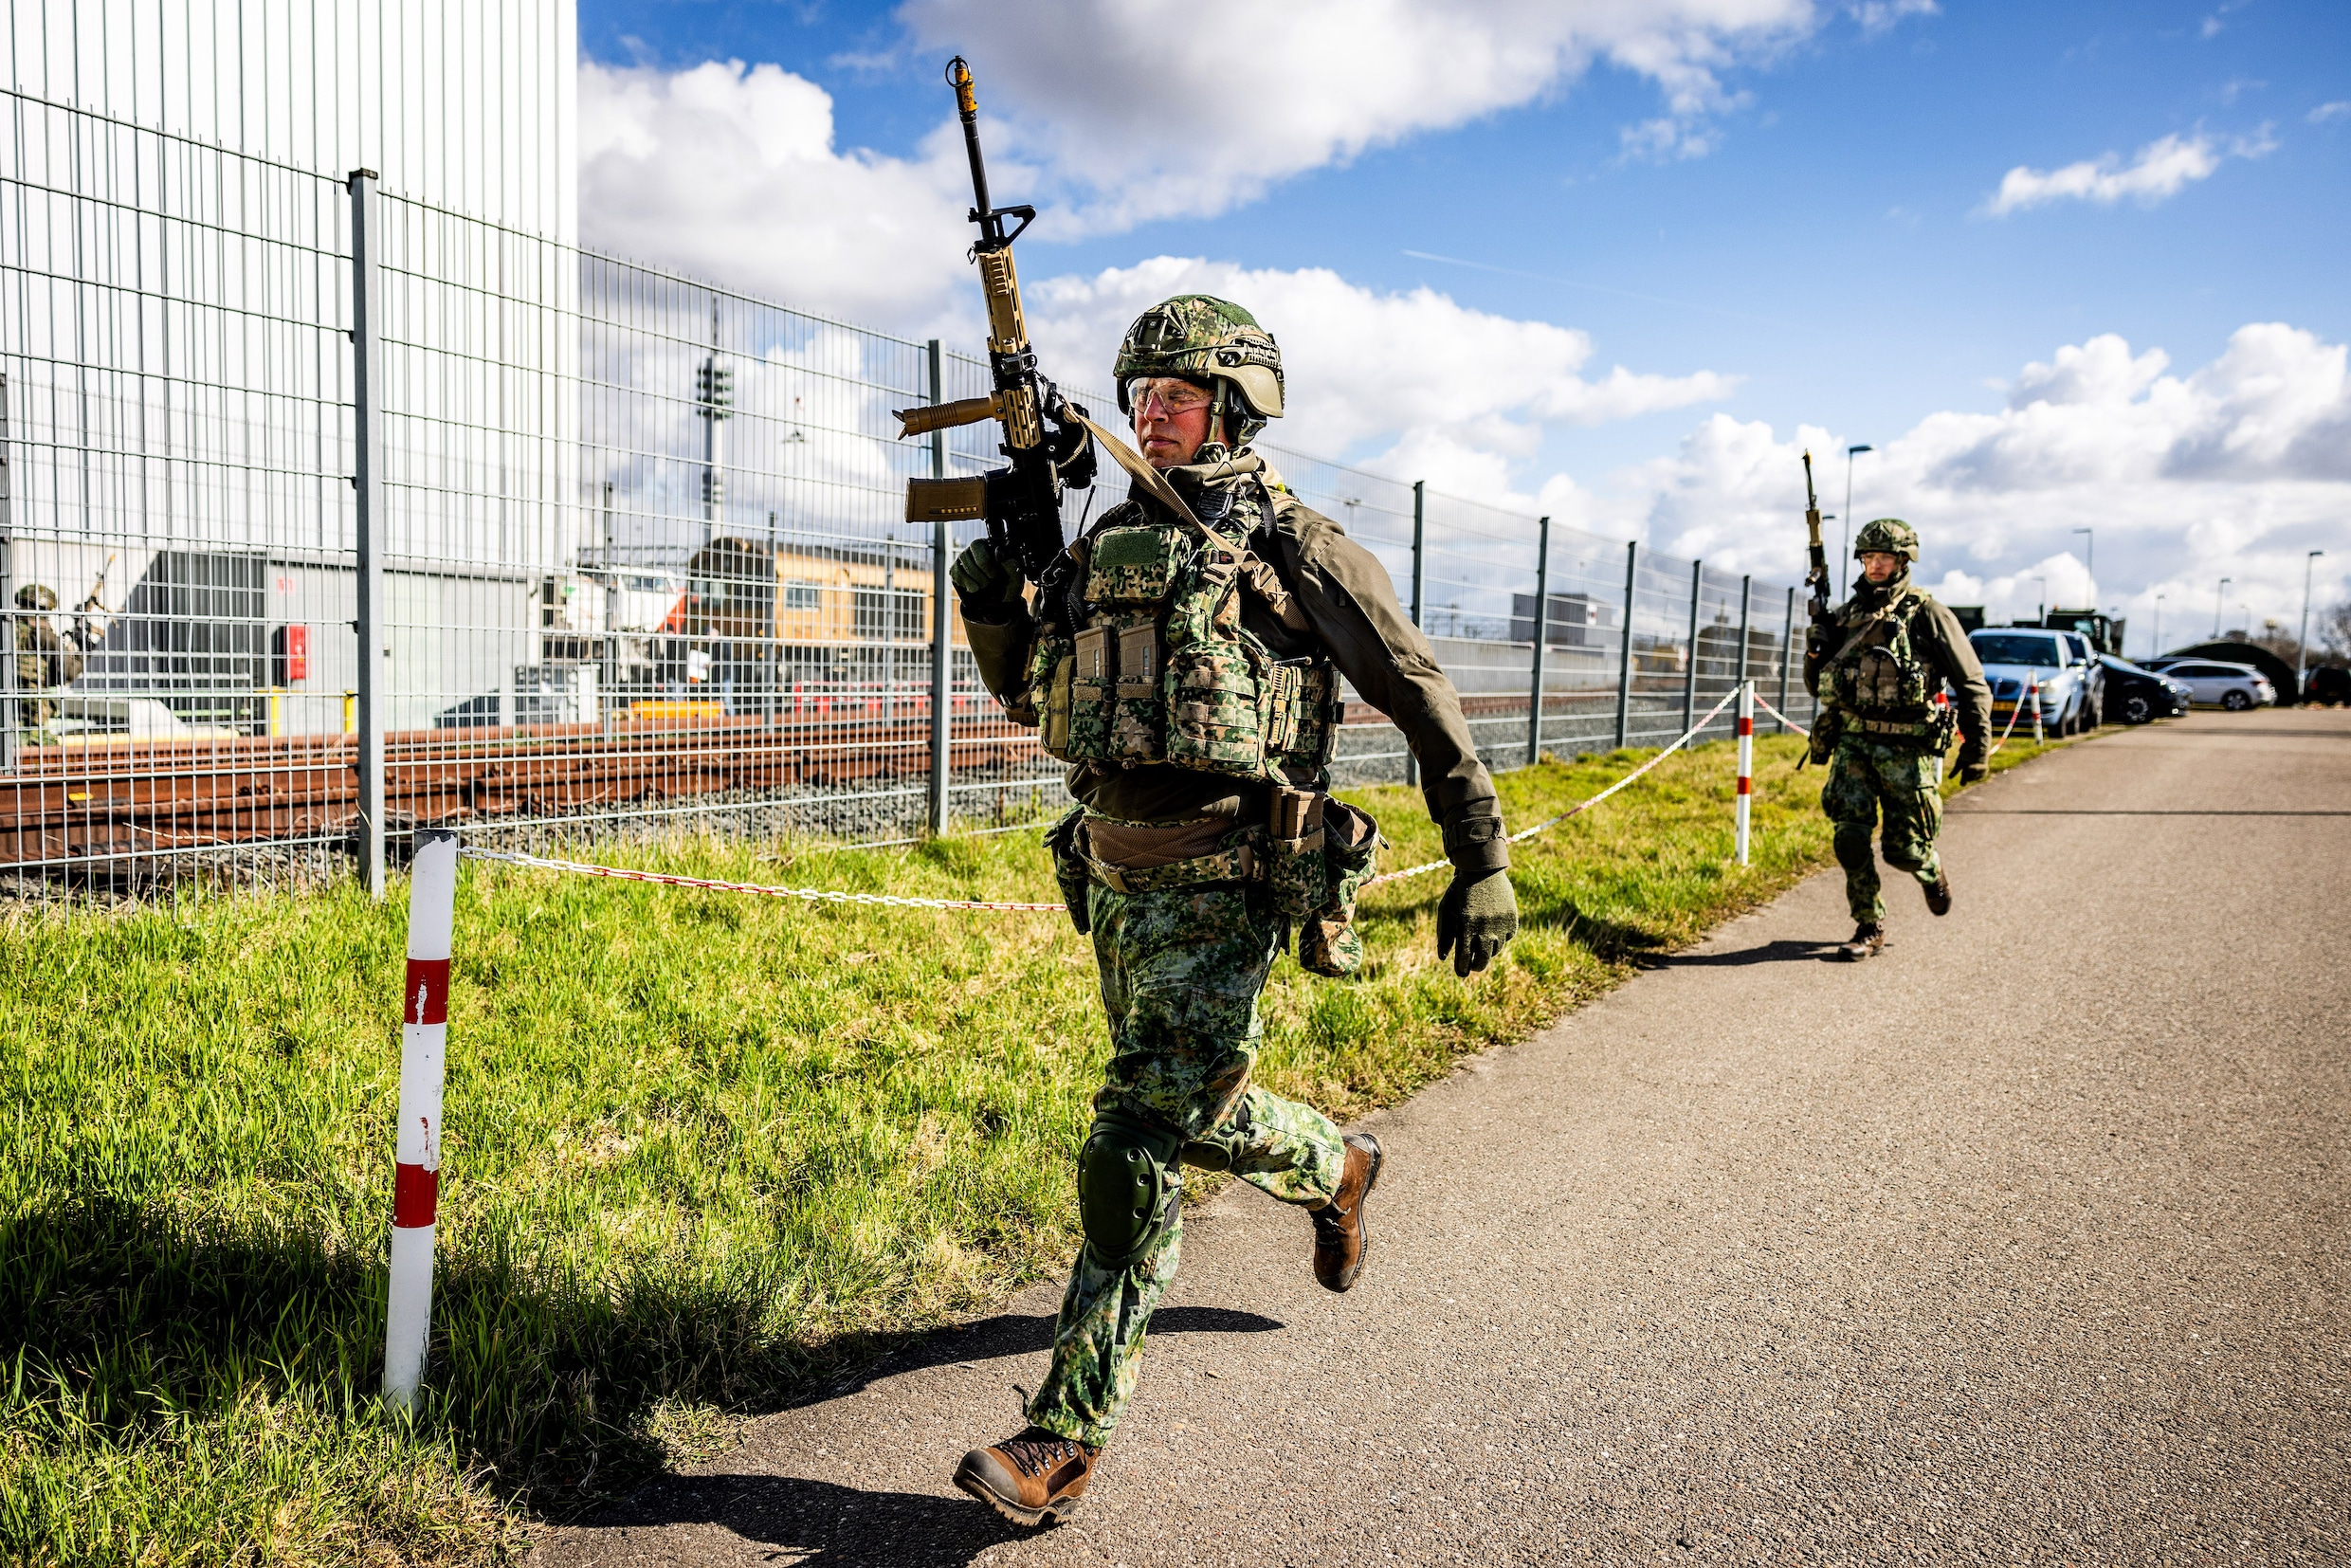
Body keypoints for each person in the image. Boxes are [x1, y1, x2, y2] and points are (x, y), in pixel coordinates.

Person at [945, 295, 1519, 1525]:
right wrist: (1004, 554)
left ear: (1240, 406)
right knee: (1193, 1108)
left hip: (1223, 880)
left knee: (1131, 1139)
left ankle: (1064, 1433)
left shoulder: (1295, 545)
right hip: (1113, 877)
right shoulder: (1111, 538)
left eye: (1179, 395)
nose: (1151, 414)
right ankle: (1339, 1163)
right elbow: (1027, 693)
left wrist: (1483, 856)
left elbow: (1419, 690)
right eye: (1140, 395)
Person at [1803, 519, 1991, 961]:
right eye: (1868, 557)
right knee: (1849, 837)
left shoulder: (1929, 614)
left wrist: (1977, 748)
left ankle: (1930, 872)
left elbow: (1973, 684)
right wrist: (1815, 650)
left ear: (1904, 560)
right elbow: (1818, 687)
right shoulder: (1846, 615)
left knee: (1903, 851)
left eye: (1884, 557)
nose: (1875, 565)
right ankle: (1869, 925)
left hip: (1909, 749)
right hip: (1853, 742)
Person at [9, 583, 109, 731]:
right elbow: (67, 673)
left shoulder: (9, 627)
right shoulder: (43, 634)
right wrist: (84, 648)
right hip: (29, 713)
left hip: (10, 705)